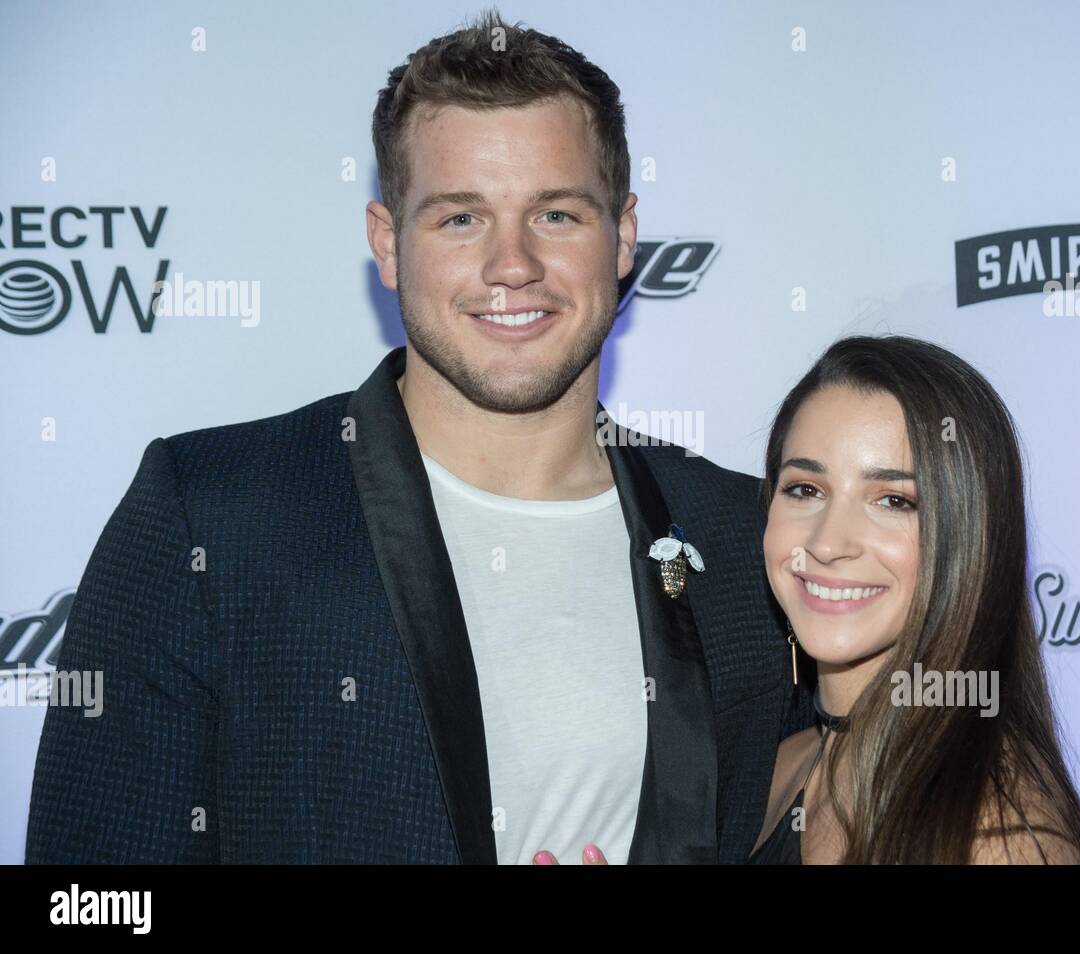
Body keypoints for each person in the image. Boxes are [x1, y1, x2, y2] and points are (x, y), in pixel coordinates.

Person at [24, 8, 816, 865]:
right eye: (460, 219)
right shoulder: (211, 513)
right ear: (387, 243)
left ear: (623, 237)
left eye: (555, 215)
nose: (512, 264)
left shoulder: (747, 534)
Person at [747, 335, 1080, 864]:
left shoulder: (999, 837)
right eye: (805, 489)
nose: (826, 543)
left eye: (893, 500)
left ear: (966, 533)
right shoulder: (777, 772)